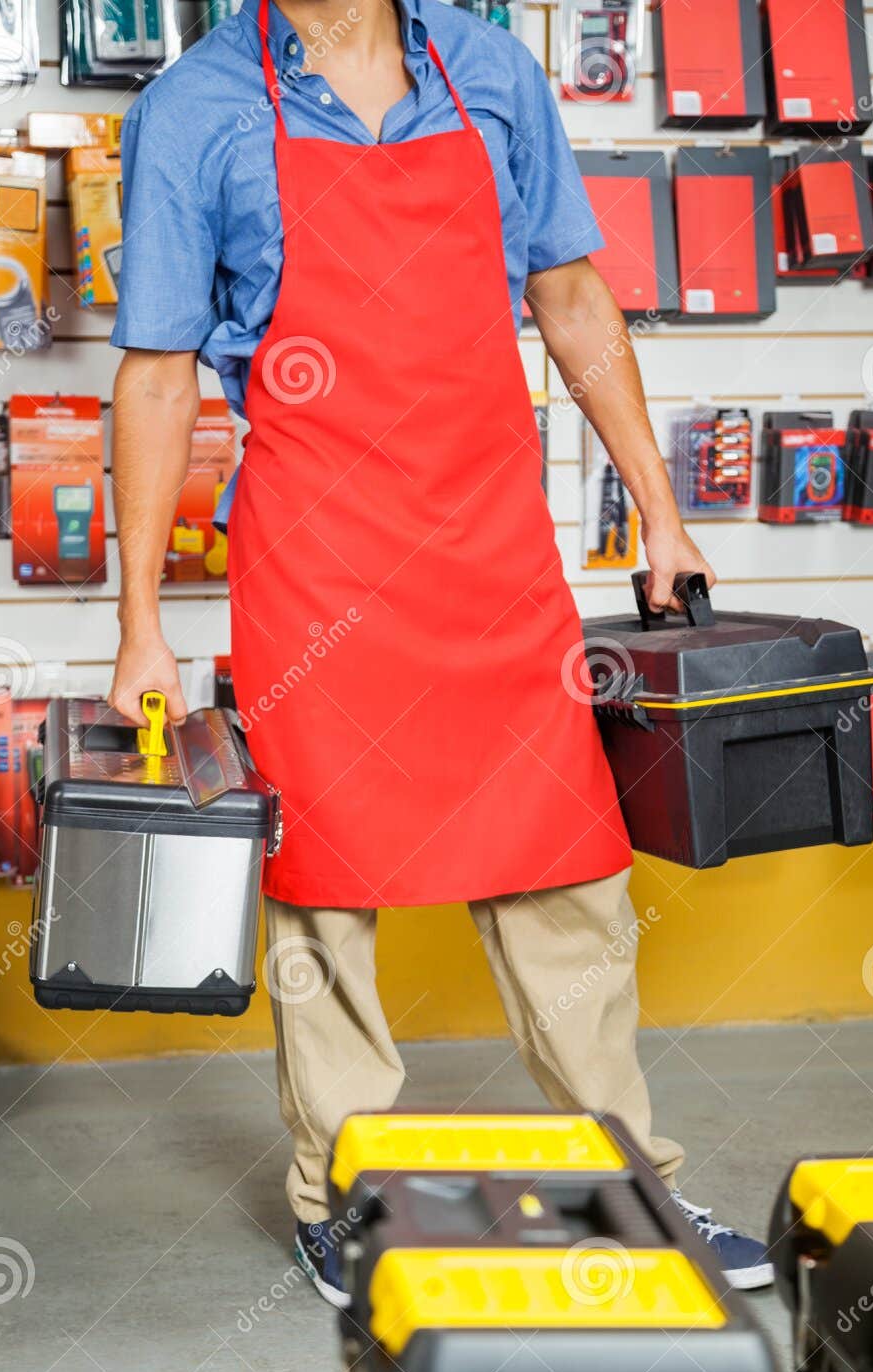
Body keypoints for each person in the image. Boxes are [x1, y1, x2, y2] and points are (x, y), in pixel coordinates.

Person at [107, 0, 774, 1303]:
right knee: (325, 884)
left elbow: (574, 297)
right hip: (317, 557)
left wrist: (661, 505)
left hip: (491, 546)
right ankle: (341, 1199)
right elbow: (154, 373)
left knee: (567, 862)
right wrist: (140, 620)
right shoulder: (193, 108)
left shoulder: (489, 72)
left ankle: (630, 1189)